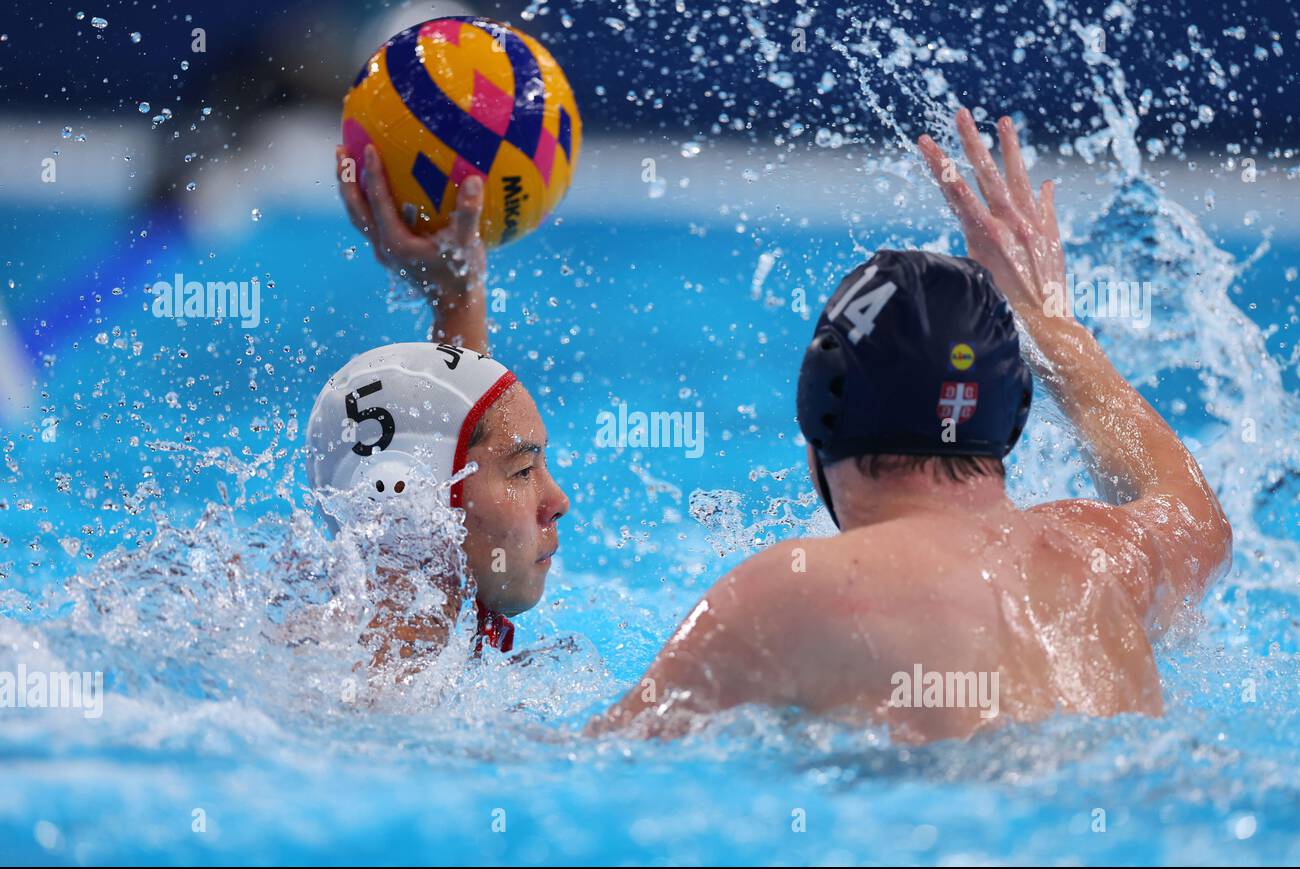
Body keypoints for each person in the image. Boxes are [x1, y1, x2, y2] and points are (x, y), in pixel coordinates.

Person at [593, 108, 1232, 742]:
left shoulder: (786, 595)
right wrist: (1055, 330)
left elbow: (597, 758)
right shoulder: (1107, 557)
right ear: (1012, 416)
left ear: (822, 411)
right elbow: (1197, 511)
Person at [308, 143, 568, 666]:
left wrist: (457, 292)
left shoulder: (367, 662)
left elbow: (447, 432)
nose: (558, 501)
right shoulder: (379, 713)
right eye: (522, 471)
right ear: (409, 502)